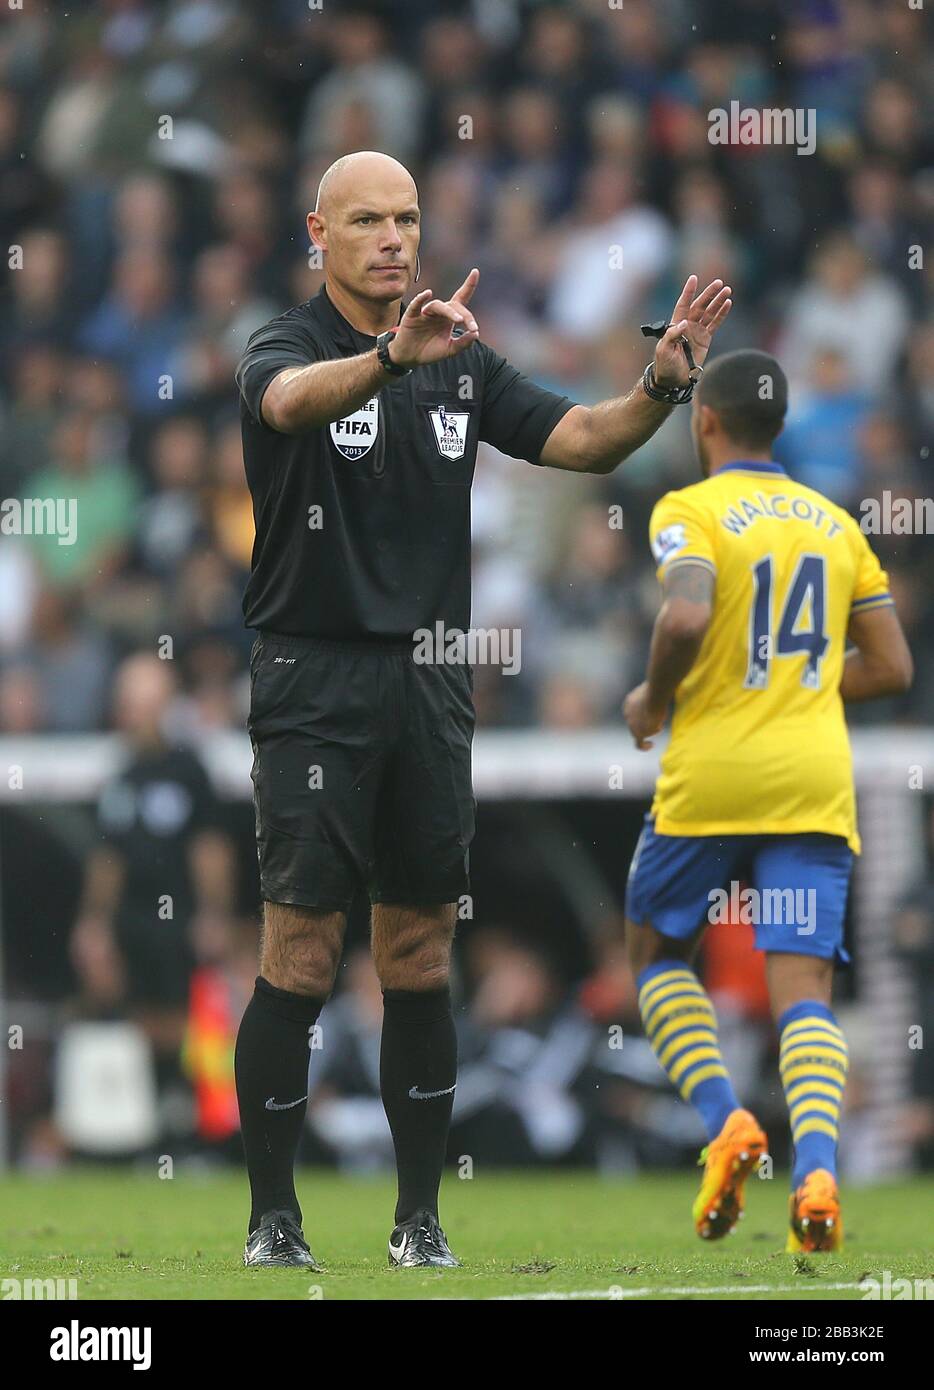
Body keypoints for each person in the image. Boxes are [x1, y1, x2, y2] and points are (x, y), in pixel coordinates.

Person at [233, 148, 732, 1269]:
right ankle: (274, 1219)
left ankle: (419, 1220)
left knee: (417, 952)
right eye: (365, 221)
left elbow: (584, 439)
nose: (393, 239)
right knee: (301, 953)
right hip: (313, 677)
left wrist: (660, 383)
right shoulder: (286, 344)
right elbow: (285, 402)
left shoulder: (461, 356)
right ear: (319, 235)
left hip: (429, 679)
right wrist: (383, 359)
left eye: (406, 217)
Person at [622, 349, 913, 1252]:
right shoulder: (835, 524)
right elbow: (895, 669)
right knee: (805, 992)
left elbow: (684, 616)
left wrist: (655, 697)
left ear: (703, 419)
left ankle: (727, 1122)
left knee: (658, 953)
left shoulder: (690, 510)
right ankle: (819, 1170)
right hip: (813, 782)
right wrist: (807, 684)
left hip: (713, 779)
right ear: (778, 427)